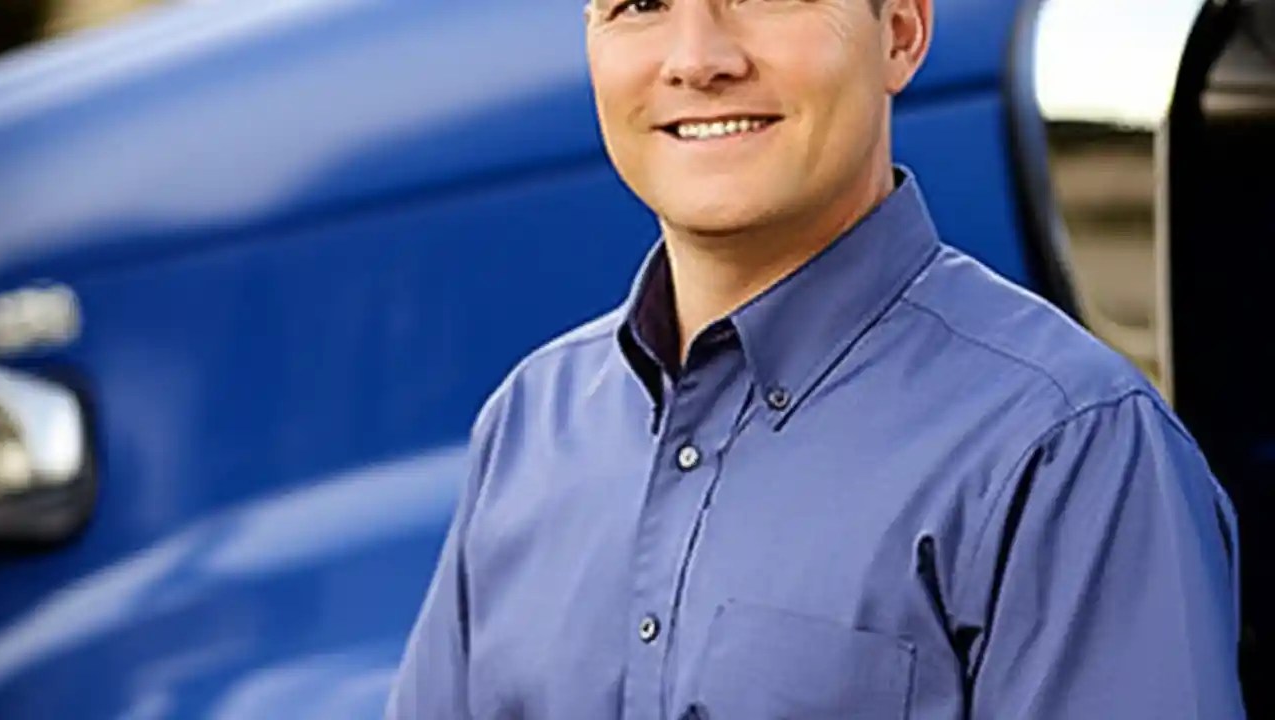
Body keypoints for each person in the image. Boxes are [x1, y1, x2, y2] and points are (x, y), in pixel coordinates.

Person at [387, 0, 1246, 717]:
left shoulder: (1066, 449)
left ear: (901, 31)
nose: (698, 58)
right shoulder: (528, 426)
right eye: (640, 3)